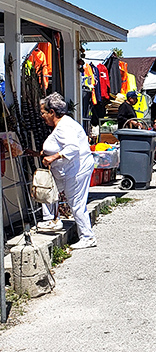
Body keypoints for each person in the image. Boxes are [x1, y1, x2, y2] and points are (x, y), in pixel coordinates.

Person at [38, 92, 97, 249]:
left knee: (76, 202)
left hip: (77, 169)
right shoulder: (62, 125)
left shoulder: (65, 126)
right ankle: (52, 220)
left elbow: (72, 147)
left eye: (43, 113)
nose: (41, 116)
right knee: (50, 192)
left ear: (52, 112)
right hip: (67, 170)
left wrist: (53, 157)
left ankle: (87, 237)